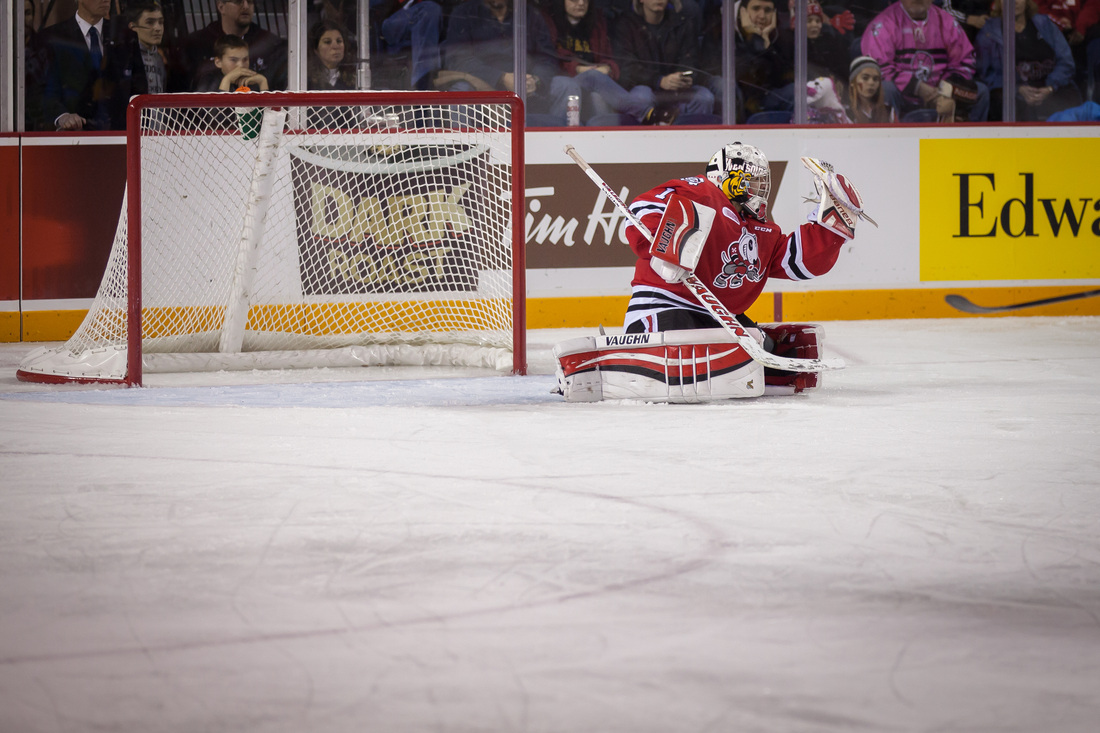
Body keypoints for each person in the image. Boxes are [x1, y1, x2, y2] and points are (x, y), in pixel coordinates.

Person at [554, 143, 866, 402]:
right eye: (753, 181)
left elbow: (796, 261)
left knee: (766, 355)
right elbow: (642, 209)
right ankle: (623, 364)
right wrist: (666, 242)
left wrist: (830, 226)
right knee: (683, 342)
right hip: (667, 304)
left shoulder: (761, 229)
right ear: (729, 178)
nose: (760, 189)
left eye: (762, 182)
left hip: (719, 316)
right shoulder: (700, 193)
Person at [440, 0, 580, 124]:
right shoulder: (464, 13)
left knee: (566, 86)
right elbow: (458, 59)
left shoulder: (529, 13)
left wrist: (536, 80)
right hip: (483, 87)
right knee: (460, 92)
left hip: (527, 88)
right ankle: (466, 151)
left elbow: (546, 57)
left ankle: (562, 148)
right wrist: (501, 77)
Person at [861, 0, 991, 121]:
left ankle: (966, 141)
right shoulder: (883, 23)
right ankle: (888, 140)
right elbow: (877, 68)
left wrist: (945, 91)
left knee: (981, 92)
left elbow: (964, 61)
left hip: (942, 96)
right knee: (884, 89)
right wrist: (917, 87)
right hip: (902, 98)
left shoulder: (947, 22)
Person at [542, 0, 656, 123]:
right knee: (593, 76)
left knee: (640, 92)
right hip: (568, 82)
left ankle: (629, 123)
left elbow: (609, 55)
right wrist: (578, 68)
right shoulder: (549, 23)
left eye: (585, 0)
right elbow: (550, 59)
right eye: (574, 0)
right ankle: (646, 113)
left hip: (600, 81)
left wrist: (608, 68)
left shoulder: (597, 23)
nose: (581, 3)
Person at [976, 0, 1083, 119]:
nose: (1014, 2)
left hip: (1052, 87)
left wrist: (1050, 87)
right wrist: (1017, 89)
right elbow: (985, 74)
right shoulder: (989, 33)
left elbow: (1066, 62)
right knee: (1009, 104)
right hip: (1014, 94)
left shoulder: (1045, 24)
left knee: (1071, 103)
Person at [612, 0, 715, 122]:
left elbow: (691, 60)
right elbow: (627, 68)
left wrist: (685, 77)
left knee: (704, 97)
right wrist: (659, 80)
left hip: (677, 89)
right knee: (640, 97)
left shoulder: (682, 22)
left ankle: (689, 138)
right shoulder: (626, 24)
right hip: (646, 86)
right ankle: (646, 139)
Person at [106, 1, 188, 128]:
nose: (157, 28)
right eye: (150, 22)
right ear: (133, 27)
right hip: (131, 131)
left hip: (159, 132)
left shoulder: (161, 58)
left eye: (161, 22)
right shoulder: (122, 58)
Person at [40, 0, 116, 131]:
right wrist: (62, 116)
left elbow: (136, 88)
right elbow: (43, 91)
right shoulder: (52, 38)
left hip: (120, 135)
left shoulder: (124, 35)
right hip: (72, 138)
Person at [184, 0, 287, 91]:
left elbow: (276, 94)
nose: (246, 6)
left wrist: (263, 83)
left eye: (250, 2)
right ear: (221, 7)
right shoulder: (196, 43)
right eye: (238, 1)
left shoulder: (271, 43)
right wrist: (226, 81)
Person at [731, 0, 794, 119]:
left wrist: (767, 46)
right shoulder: (722, 35)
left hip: (767, 99)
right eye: (756, 9)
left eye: (768, 10)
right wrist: (754, 38)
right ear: (741, 12)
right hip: (739, 103)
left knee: (795, 90)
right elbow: (741, 75)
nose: (762, 16)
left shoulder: (782, 38)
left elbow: (785, 78)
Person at [192, 34, 269, 91]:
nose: (241, 65)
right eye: (233, 60)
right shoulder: (208, 80)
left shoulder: (253, 81)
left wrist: (263, 82)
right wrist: (227, 80)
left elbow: (269, 112)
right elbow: (213, 112)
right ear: (218, 62)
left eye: (245, 59)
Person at [846, 54, 899, 122]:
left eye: (875, 79)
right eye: (865, 78)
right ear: (852, 83)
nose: (871, 83)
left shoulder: (889, 111)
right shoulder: (846, 113)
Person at [307, 19, 357, 89]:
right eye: (327, 42)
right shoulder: (303, 80)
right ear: (315, 49)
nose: (335, 46)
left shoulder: (356, 78)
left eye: (339, 41)